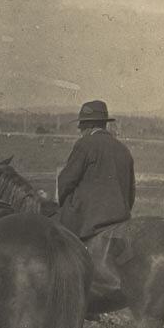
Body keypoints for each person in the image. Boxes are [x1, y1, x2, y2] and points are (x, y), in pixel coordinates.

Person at [56, 100, 136, 240]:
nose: (80, 129)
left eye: (82, 124)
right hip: (120, 221)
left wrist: (63, 205)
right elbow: (131, 194)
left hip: (87, 224)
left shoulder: (84, 145)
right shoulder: (123, 149)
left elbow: (65, 182)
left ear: (90, 125)